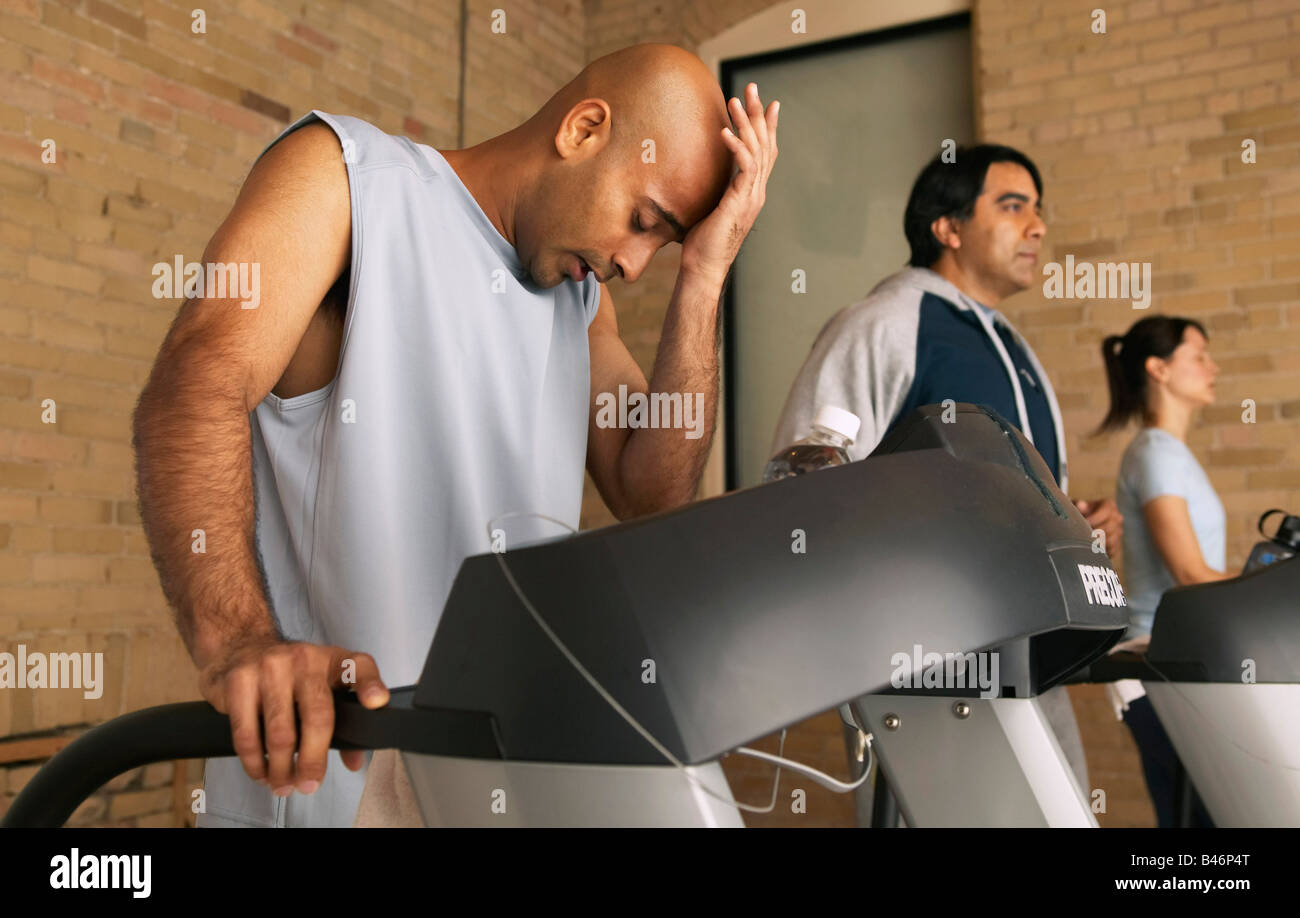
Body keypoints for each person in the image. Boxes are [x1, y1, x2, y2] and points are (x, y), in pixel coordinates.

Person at [132, 43, 779, 827]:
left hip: (487, 796)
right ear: (583, 130)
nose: (635, 264)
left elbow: (653, 485)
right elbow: (196, 382)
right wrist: (238, 644)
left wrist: (706, 275)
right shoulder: (347, 181)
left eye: (663, 243)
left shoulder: (579, 305)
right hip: (324, 790)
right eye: (644, 222)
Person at [771, 144, 1121, 817]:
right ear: (948, 227)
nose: (1039, 227)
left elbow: (1012, 502)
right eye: (1013, 206)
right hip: (925, 662)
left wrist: (1077, 522)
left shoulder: (1015, 351)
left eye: (1039, 211)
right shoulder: (887, 324)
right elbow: (799, 485)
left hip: (1034, 654)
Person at [1096, 315, 1229, 827]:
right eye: (1199, 356)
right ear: (1159, 369)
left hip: (1176, 664)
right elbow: (1191, 575)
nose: (1212, 367)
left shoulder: (1169, 454)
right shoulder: (1155, 453)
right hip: (1154, 665)